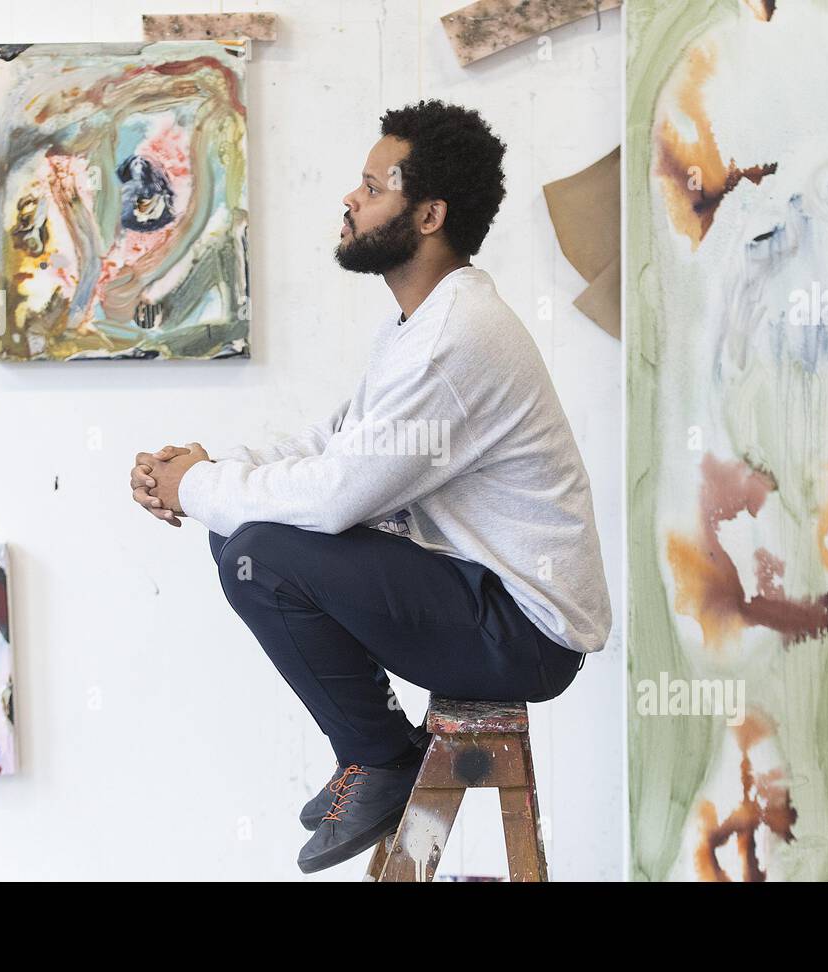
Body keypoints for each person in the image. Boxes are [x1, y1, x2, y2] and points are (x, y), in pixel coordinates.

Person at [128, 99, 611, 874]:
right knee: (245, 532)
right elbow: (333, 446)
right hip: (484, 596)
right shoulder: (420, 326)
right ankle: (378, 753)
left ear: (427, 215)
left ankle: (380, 758)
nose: (349, 200)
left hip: (527, 630)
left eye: (370, 186)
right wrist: (207, 467)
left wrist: (196, 486)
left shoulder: (452, 340)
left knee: (261, 551)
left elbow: (332, 497)